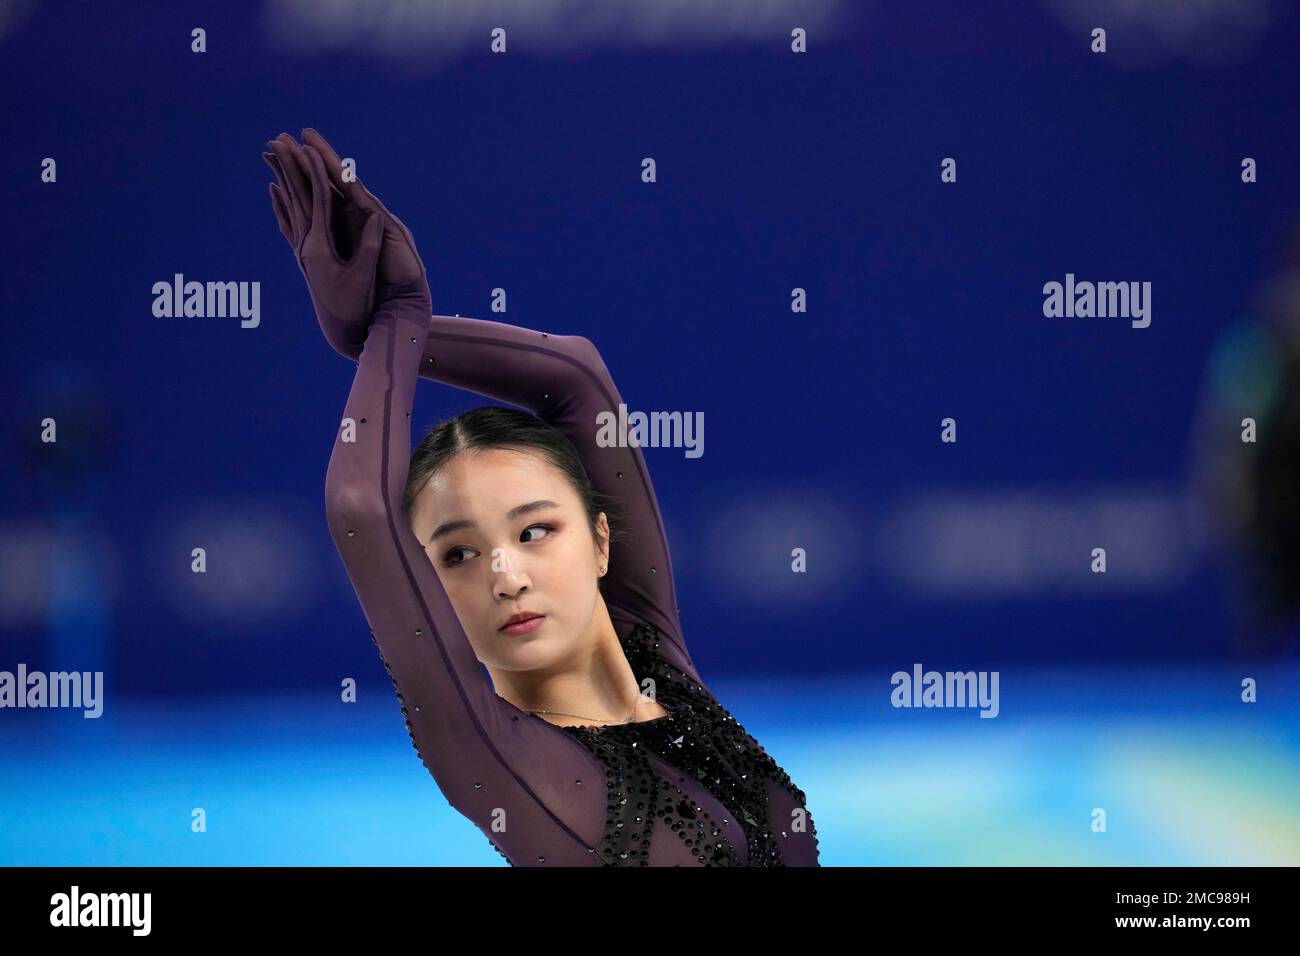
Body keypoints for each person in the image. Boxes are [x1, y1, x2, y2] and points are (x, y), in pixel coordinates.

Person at [262, 128, 820, 866]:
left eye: (534, 532)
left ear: (599, 541)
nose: (506, 574)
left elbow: (571, 375)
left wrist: (385, 336)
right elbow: (362, 508)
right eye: (457, 553)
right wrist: (394, 318)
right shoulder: (499, 759)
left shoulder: (658, 660)